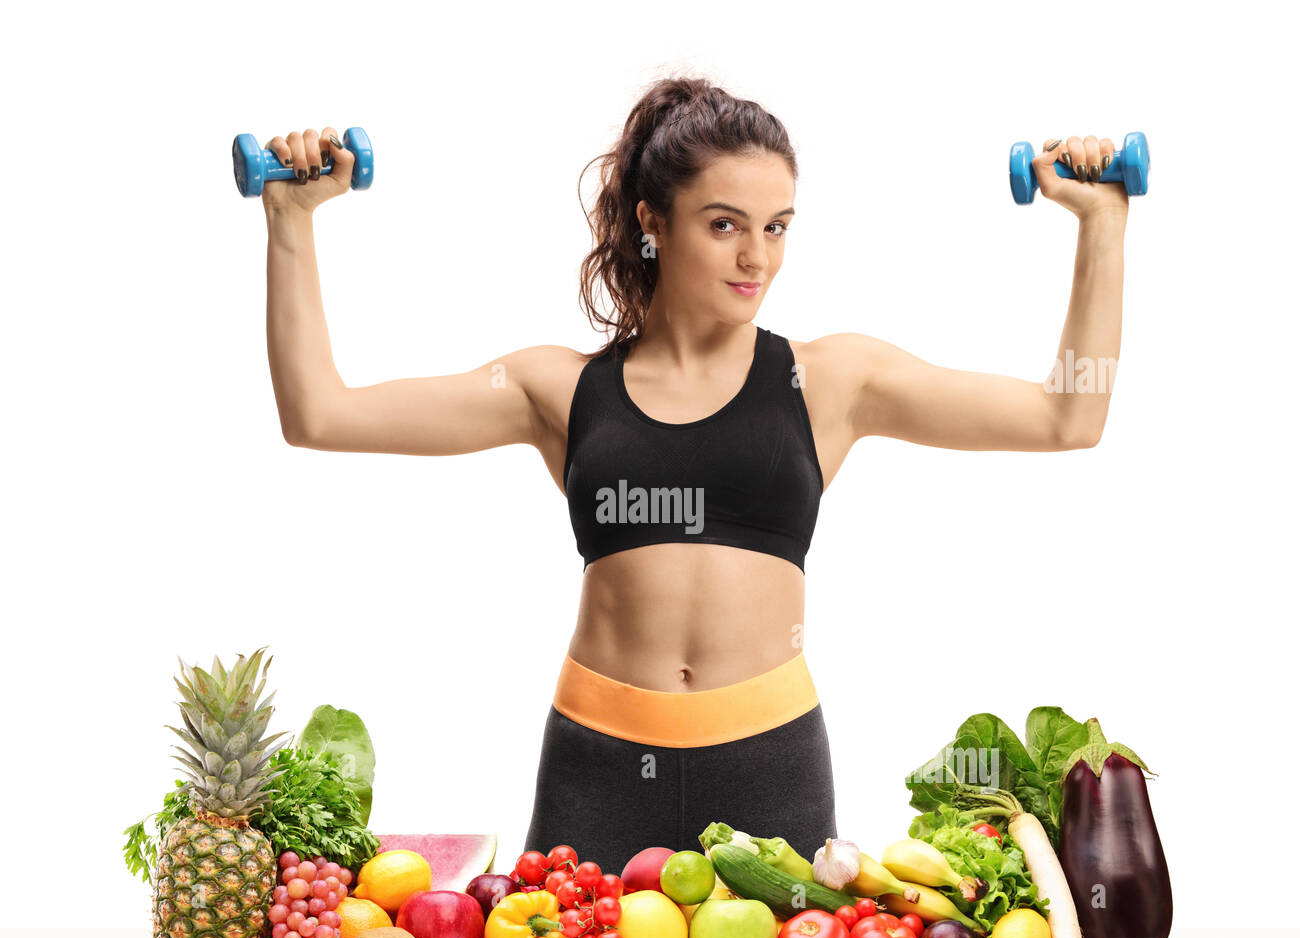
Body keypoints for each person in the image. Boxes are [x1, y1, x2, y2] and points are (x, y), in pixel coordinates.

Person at [258, 76, 1126, 872]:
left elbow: (1068, 415)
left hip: (770, 764)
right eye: (724, 224)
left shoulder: (834, 382)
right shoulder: (555, 388)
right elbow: (321, 414)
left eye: (777, 226)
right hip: (596, 763)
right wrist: (291, 222)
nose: (758, 258)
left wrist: (1102, 224)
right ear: (652, 222)